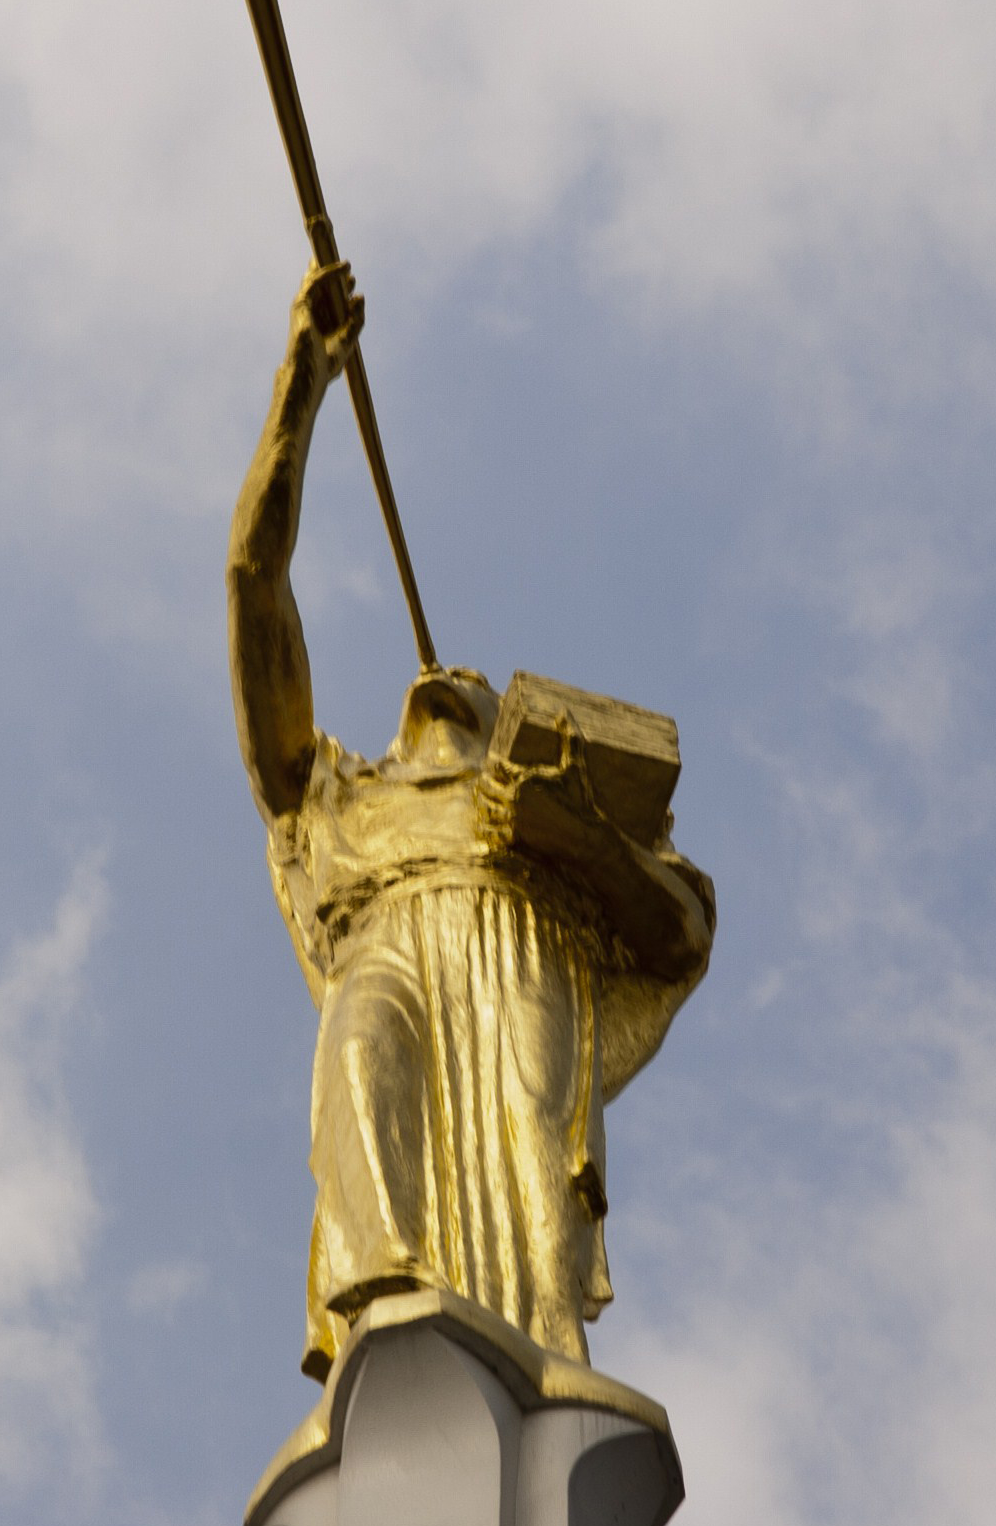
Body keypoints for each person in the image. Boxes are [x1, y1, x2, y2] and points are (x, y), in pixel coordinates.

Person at [230, 263, 716, 1379]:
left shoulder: (545, 830)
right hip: (387, 946)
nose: (449, 671)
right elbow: (253, 579)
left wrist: (569, 827)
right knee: (360, 1052)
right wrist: (300, 386)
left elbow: (683, 926)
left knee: (535, 1225)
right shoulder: (331, 803)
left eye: (480, 683)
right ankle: (388, 1326)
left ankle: (540, 1378)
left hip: (523, 974)